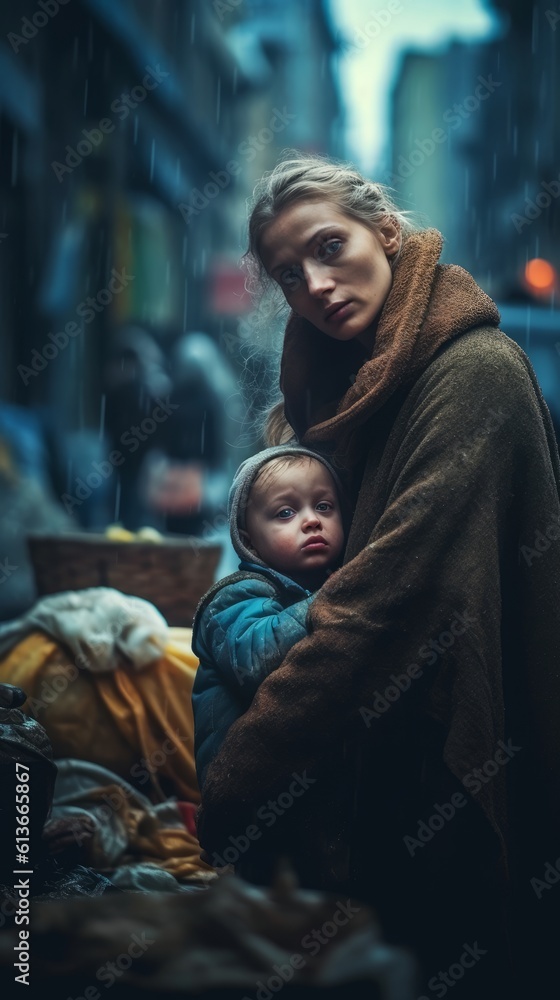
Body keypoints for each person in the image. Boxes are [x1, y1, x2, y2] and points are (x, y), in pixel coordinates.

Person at [194, 152, 560, 997]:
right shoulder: (346, 390)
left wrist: (243, 772)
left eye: (329, 248)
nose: (316, 286)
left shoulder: (472, 374)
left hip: (451, 764)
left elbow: (381, 606)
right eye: (289, 275)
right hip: (380, 782)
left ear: (387, 232)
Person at [191, 445, 346, 802]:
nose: (312, 520)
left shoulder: (319, 585)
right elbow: (254, 662)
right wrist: (330, 597)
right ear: (249, 541)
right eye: (285, 512)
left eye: (324, 506)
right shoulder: (235, 596)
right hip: (242, 787)